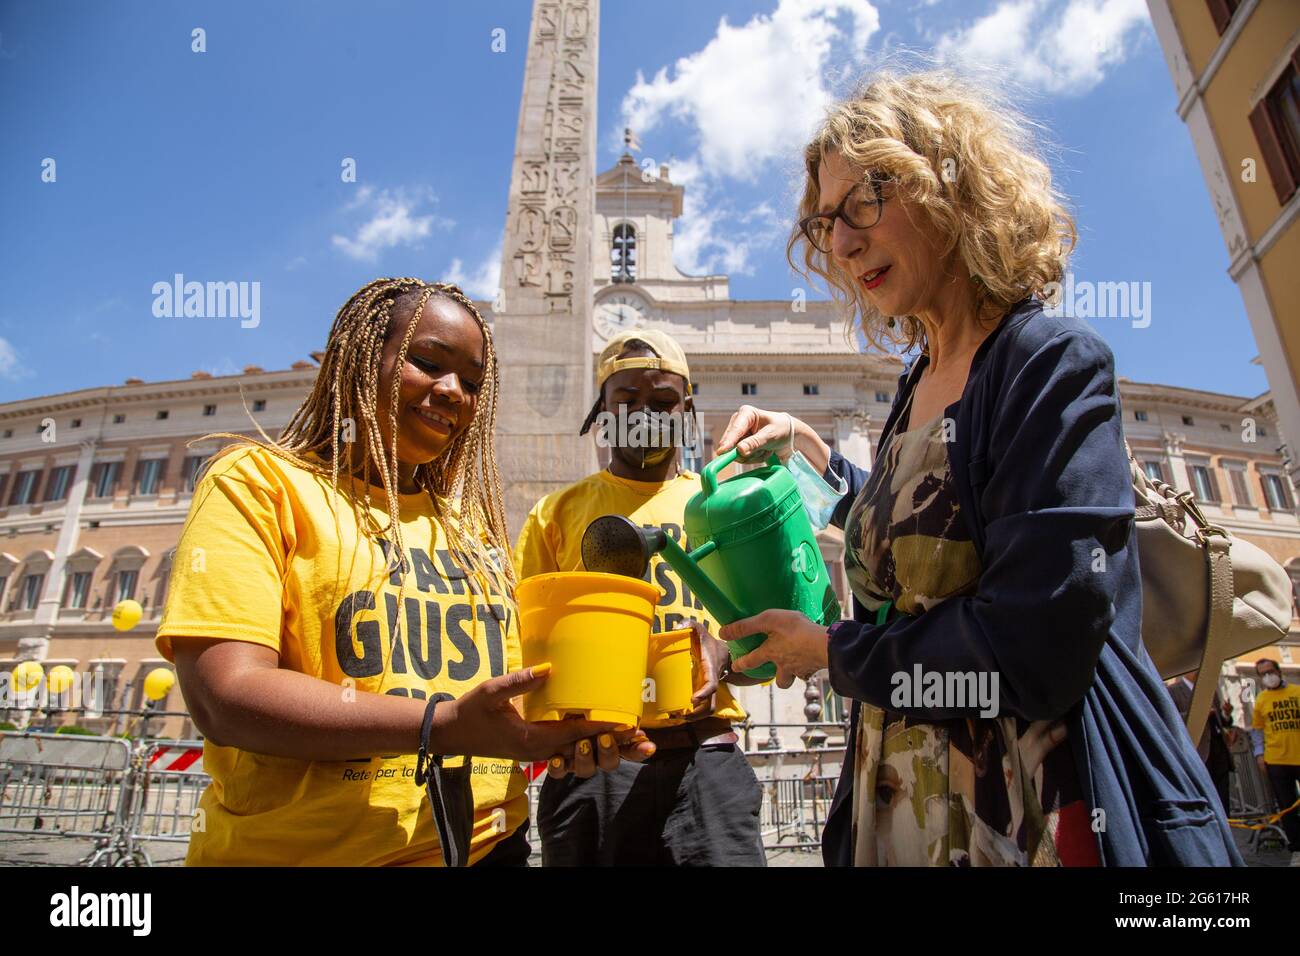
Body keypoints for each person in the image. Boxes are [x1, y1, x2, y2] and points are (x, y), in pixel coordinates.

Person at [713, 69, 1241, 866]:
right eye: (826, 223)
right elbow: (933, 536)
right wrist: (818, 457)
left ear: (947, 184)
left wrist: (827, 653)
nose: (845, 242)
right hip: (901, 813)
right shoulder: (915, 384)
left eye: (866, 200)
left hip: (1033, 811)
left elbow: (1033, 641)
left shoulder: (1049, 361)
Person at [157, 278, 648, 866]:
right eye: (428, 362)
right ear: (359, 357)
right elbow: (226, 697)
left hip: (492, 847)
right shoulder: (258, 483)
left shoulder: (472, 527)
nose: (453, 392)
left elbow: (502, 697)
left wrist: (577, 724)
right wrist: (440, 727)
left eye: (472, 382)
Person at [513, 329, 767, 866]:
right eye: (625, 400)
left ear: (688, 409)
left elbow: (766, 644)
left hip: (707, 757)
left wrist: (729, 657)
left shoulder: (722, 509)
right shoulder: (554, 515)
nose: (643, 413)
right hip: (595, 764)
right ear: (600, 412)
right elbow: (522, 647)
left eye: (662, 401)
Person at [1251, 658, 1300, 864]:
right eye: (1263, 674)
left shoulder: (1297, 693)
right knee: (1287, 808)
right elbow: (1257, 731)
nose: (1268, 676)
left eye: (1270, 671)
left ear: (1279, 671)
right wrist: (1259, 755)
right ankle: (1297, 849)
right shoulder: (1261, 700)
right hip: (1277, 761)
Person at [1166, 671, 1236, 816]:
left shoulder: (1210, 689)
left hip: (1219, 748)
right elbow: (1171, 719)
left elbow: (1223, 721)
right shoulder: (1173, 691)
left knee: (1223, 793)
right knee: (1206, 794)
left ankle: (1227, 824)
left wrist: (1225, 714)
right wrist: (1199, 713)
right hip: (1199, 750)